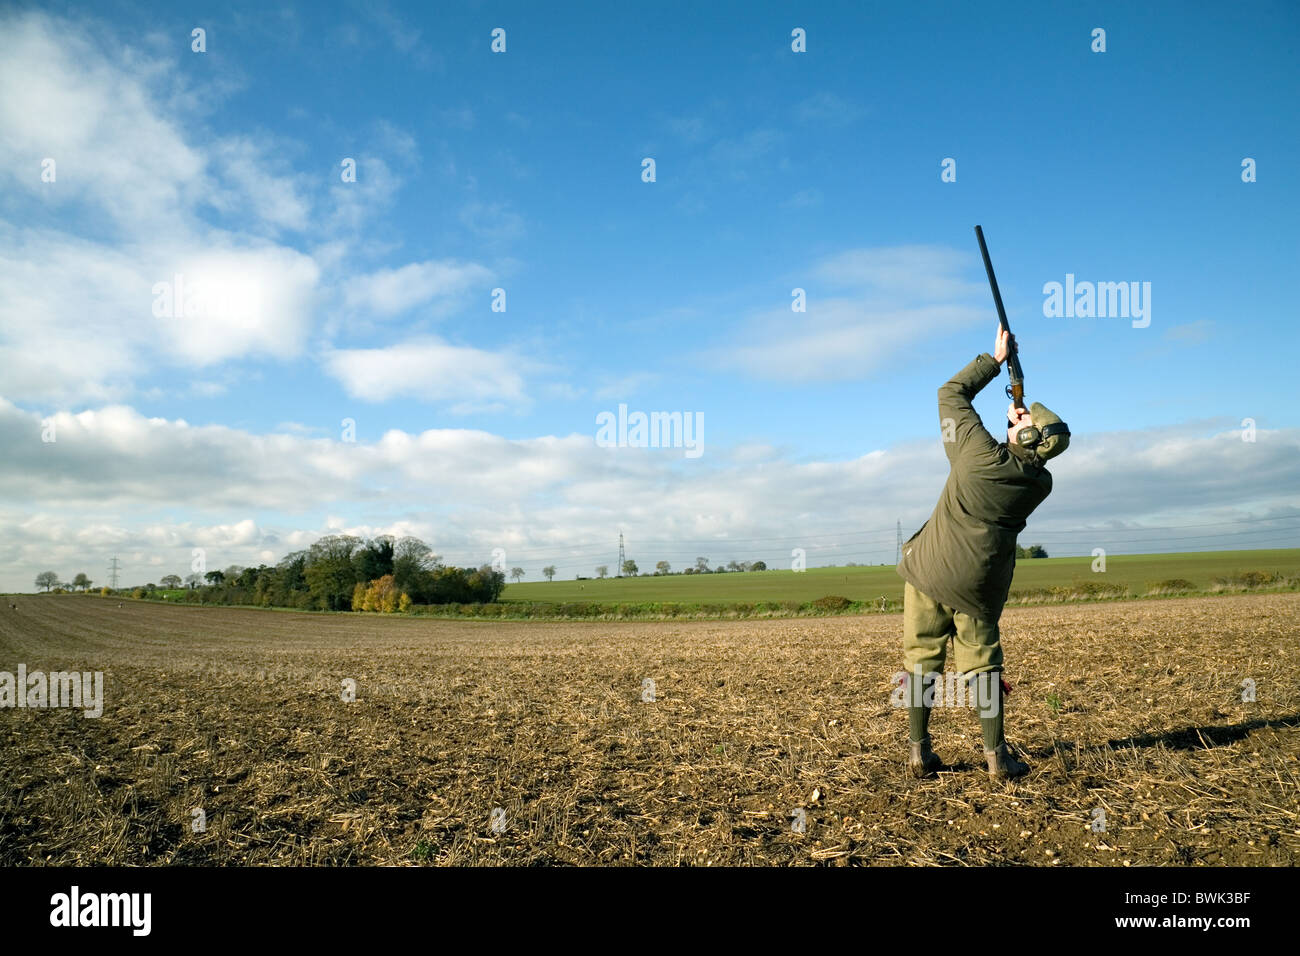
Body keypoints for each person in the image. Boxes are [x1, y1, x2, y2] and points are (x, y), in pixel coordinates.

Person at [896, 324, 1070, 780]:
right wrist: (1020, 429)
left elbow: (950, 393)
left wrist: (994, 361)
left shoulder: (975, 454)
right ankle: (997, 759)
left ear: (1028, 437)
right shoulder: (1040, 483)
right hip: (977, 590)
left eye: (1025, 422)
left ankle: (919, 752)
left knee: (921, 661)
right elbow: (1016, 460)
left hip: (930, 573)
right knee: (984, 669)